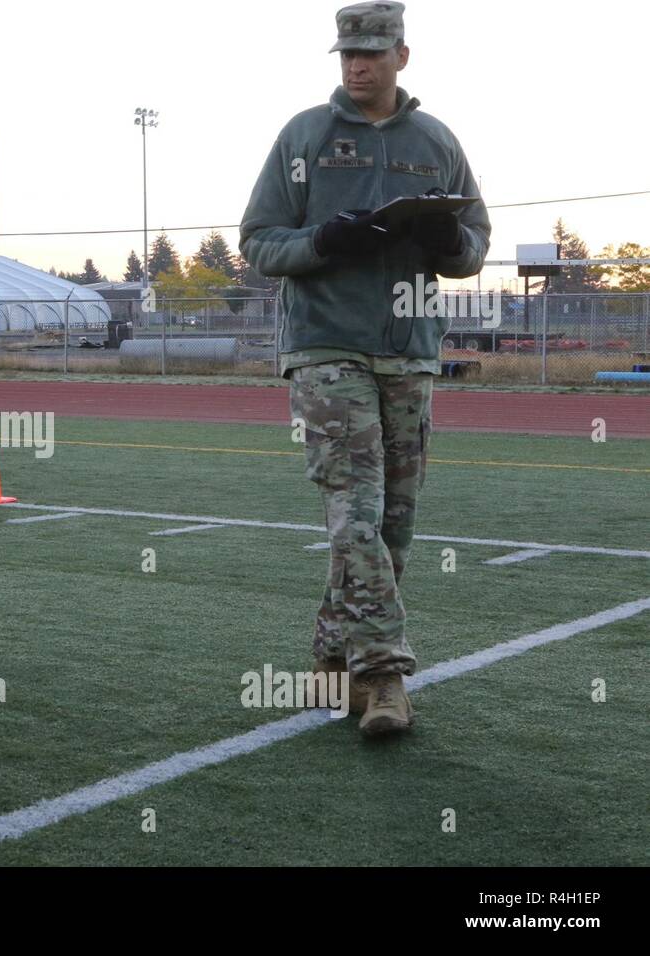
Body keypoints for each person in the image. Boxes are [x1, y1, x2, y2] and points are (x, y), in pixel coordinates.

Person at [238, 1, 490, 736]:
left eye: (373, 53)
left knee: (395, 521)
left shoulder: (436, 141)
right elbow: (258, 241)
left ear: (401, 57)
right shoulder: (304, 138)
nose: (358, 65)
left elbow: (474, 242)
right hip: (326, 347)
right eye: (349, 53)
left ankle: (330, 657)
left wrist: (448, 239)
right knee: (355, 507)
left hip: (410, 349)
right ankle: (382, 675)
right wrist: (324, 240)